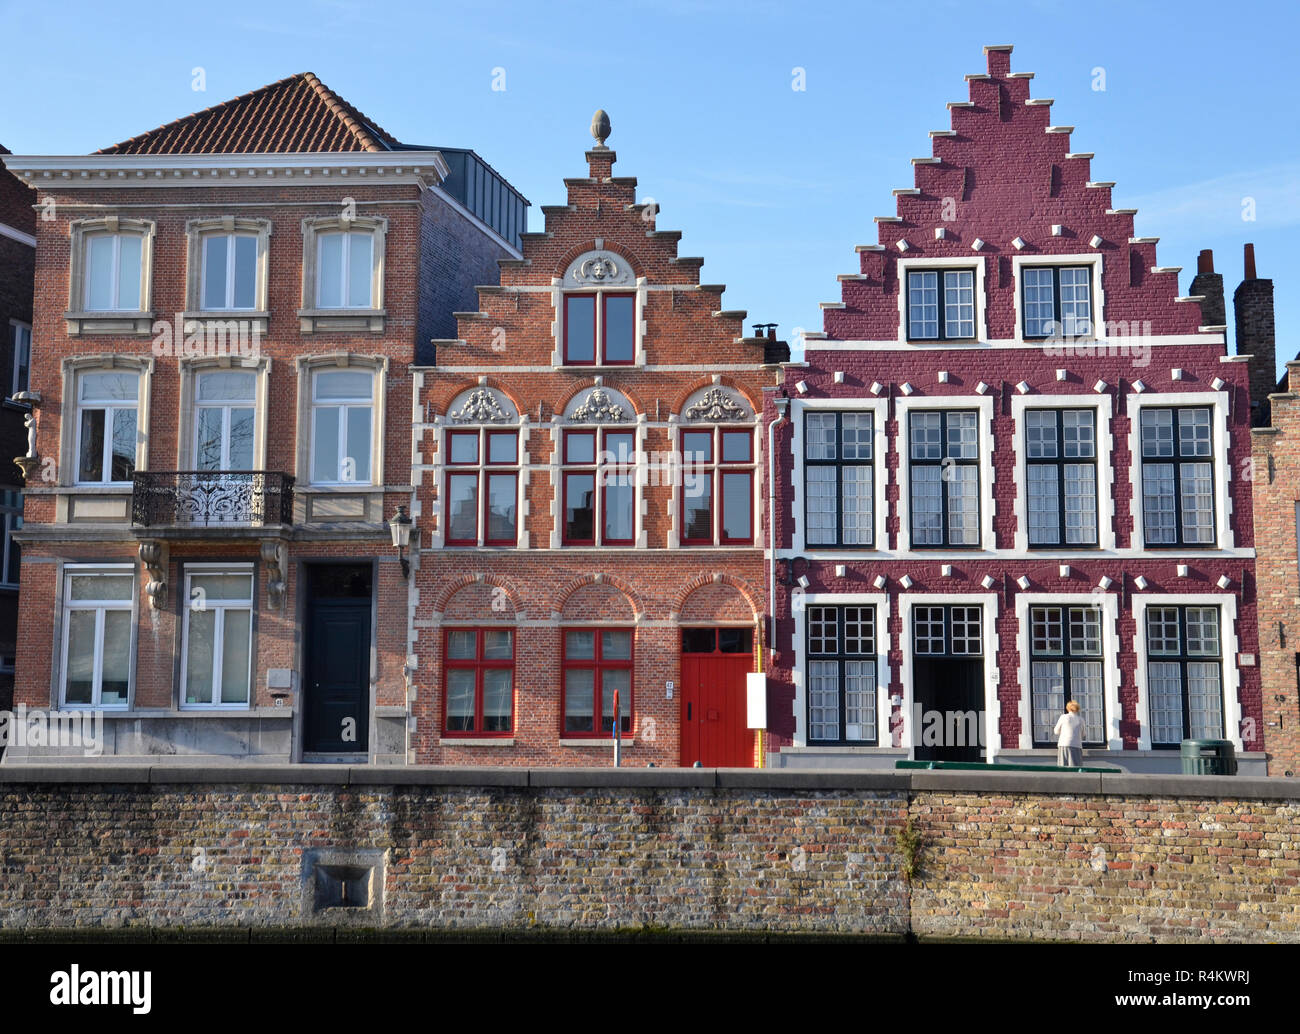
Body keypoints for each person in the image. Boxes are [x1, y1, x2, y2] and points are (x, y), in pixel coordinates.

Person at [1053, 700, 1084, 768]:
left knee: (1063, 767)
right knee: (1076, 768)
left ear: (1068, 708)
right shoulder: (1081, 720)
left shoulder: (1064, 717)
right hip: (1077, 745)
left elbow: (1056, 731)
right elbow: (1083, 734)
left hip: (1064, 744)